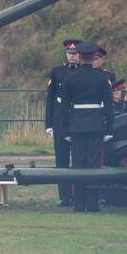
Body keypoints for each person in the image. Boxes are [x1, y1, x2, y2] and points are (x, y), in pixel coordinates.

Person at [59, 41, 115, 214]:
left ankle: (79, 204)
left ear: (81, 57)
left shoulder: (70, 78)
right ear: (93, 57)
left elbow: (64, 107)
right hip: (96, 125)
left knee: (78, 164)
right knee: (93, 165)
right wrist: (109, 129)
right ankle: (92, 204)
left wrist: (65, 130)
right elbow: (108, 107)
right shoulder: (102, 79)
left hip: (76, 126)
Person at [45, 39, 82, 207]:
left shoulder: (84, 71)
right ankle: (64, 195)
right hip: (60, 120)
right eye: (70, 53)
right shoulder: (57, 71)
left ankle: (78, 194)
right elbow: (50, 99)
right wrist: (49, 124)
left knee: (79, 158)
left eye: (75, 54)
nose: (72, 56)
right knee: (61, 159)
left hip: (78, 120)